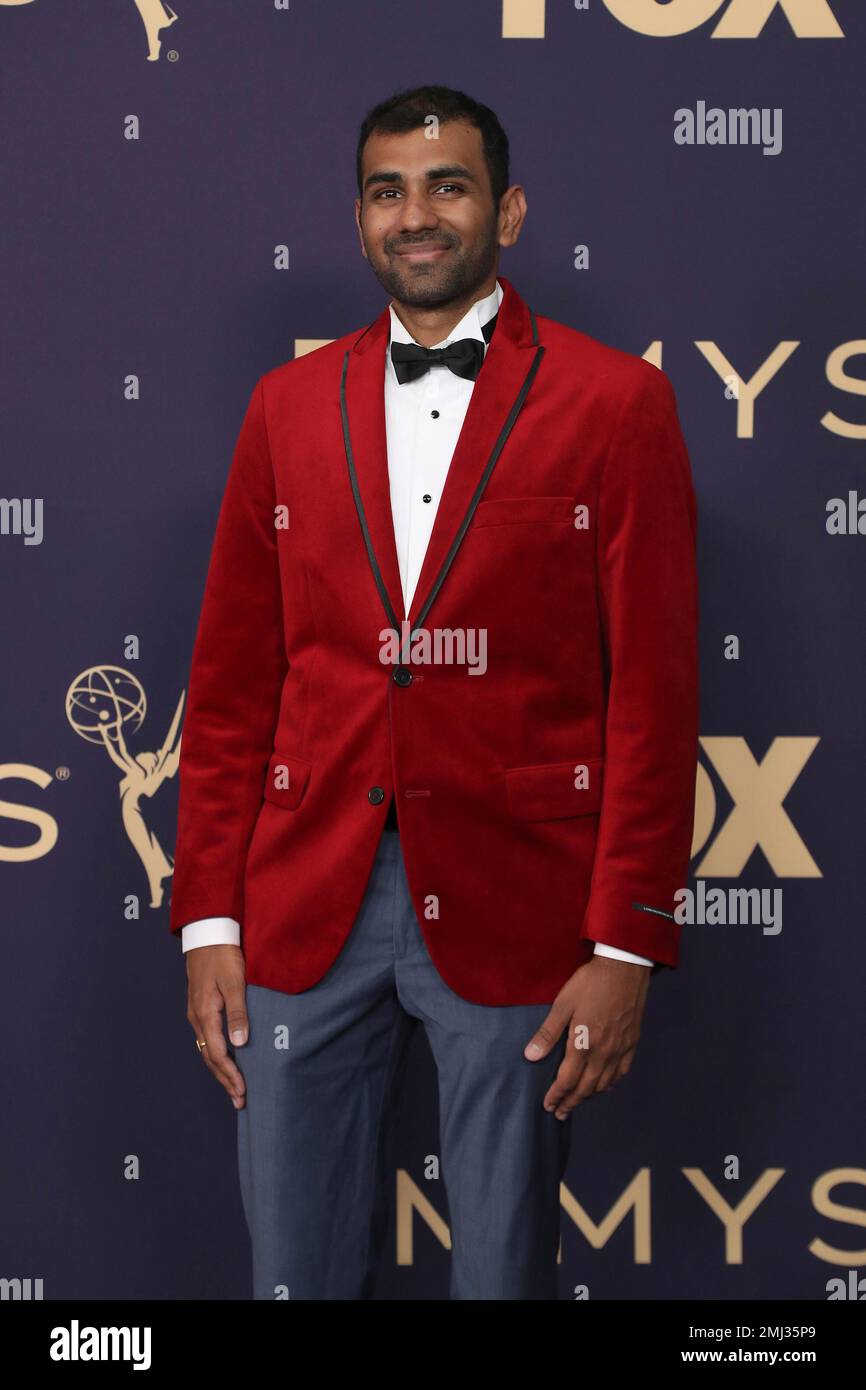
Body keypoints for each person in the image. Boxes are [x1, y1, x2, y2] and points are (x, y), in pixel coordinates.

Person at [169, 84, 700, 1300]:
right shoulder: (283, 408)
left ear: (505, 210)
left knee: (503, 1272)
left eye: (447, 185)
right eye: (386, 191)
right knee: (292, 1270)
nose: (417, 215)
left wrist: (624, 942)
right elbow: (232, 685)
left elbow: (654, 700)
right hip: (304, 905)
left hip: (524, 894)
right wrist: (209, 918)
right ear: (358, 221)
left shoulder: (618, 402)